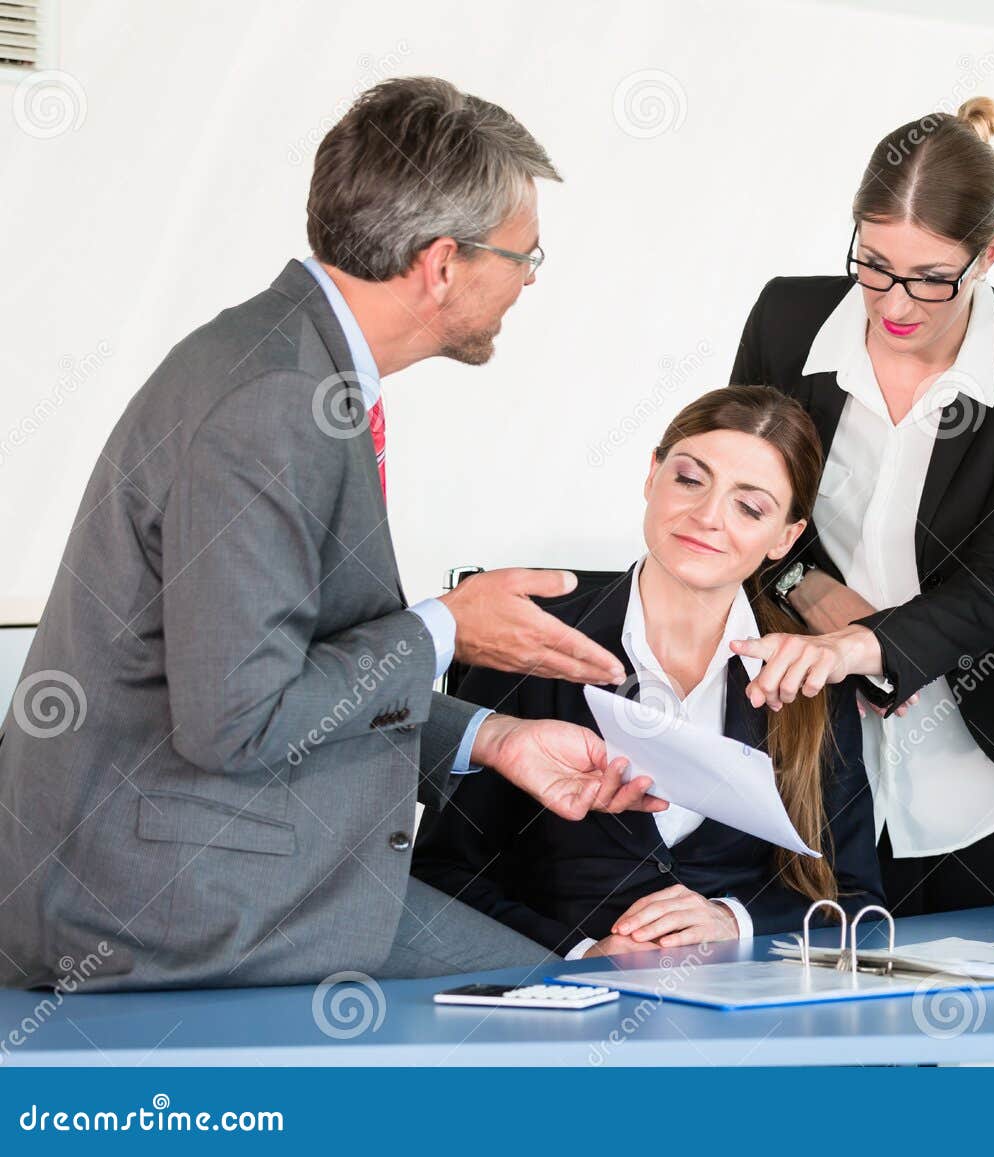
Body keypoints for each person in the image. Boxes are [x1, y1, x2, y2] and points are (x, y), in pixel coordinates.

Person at [0, 77, 665, 992]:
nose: (529, 279)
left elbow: (289, 660)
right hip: (160, 900)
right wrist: (450, 627)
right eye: (524, 254)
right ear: (442, 264)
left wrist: (494, 740)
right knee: (579, 1012)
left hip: (206, 862)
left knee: (573, 993)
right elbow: (238, 719)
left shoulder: (288, 361)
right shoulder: (274, 403)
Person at [726, 98, 994, 917]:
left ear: (990, 253)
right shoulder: (789, 323)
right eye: (873, 264)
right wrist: (810, 591)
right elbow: (740, 503)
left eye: (933, 278)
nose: (895, 304)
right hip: (813, 745)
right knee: (827, 1007)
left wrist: (871, 646)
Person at [412, 387, 884, 957]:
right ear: (652, 475)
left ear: (784, 537)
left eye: (750, 507)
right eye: (690, 480)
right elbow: (442, 875)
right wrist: (581, 955)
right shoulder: (533, 633)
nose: (707, 517)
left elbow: (859, 901)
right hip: (553, 1012)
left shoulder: (805, 670)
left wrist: (734, 920)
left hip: (742, 1022)